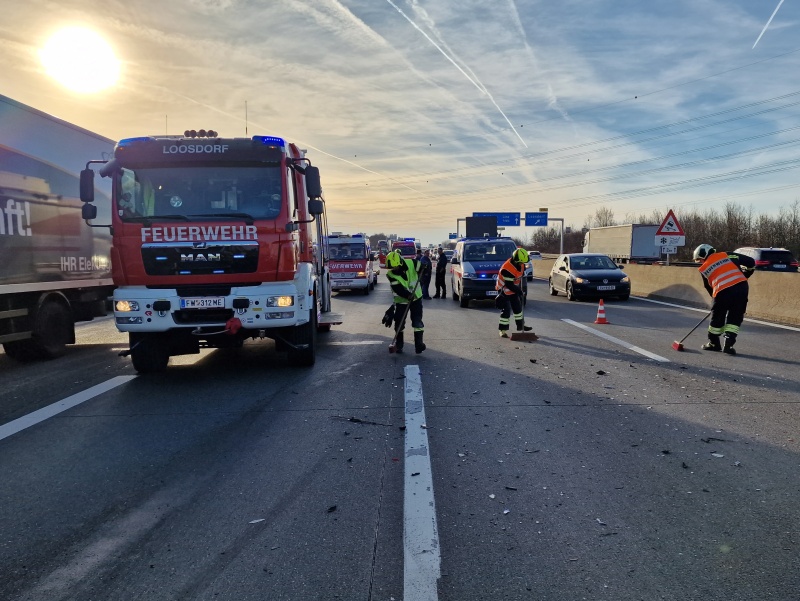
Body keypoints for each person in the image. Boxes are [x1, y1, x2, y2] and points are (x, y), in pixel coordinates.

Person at [693, 244, 755, 355]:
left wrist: (715, 302)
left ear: (704, 255)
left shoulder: (704, 268)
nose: (700, 263)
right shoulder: (728, 255)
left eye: (700, 260)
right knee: (736, 316)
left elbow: (708, 287)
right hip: (741, 287)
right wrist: (745, 274)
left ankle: (714, 343)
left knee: (718, 316)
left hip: (722, 291)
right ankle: (729, 343)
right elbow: (751, 262)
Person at [385, 250, 426, 353]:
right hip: (401, 301)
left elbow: (422, 268)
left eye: (395, 267)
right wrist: (407, 295)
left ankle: (419, 345)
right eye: (392, 268)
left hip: (416, 298)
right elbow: (397, 288)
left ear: (400, 263)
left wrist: (424, 268)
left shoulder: (411, 263)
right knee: (399, 322)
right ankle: (399, 345)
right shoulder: (391, 275)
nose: (394, 269)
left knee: (417, 320)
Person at [495, 248, 533, 338]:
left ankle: (520, 325)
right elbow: (509, 285)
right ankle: (502, 330)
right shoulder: (506, 269)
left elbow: (520, 276)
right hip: (503, 289)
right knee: (506, 311)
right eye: (521, 262)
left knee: (518, 308)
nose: (522, 264)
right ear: (516, 261)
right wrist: (519, 291)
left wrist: (520, 289)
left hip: (513, 288)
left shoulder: (521, 264)